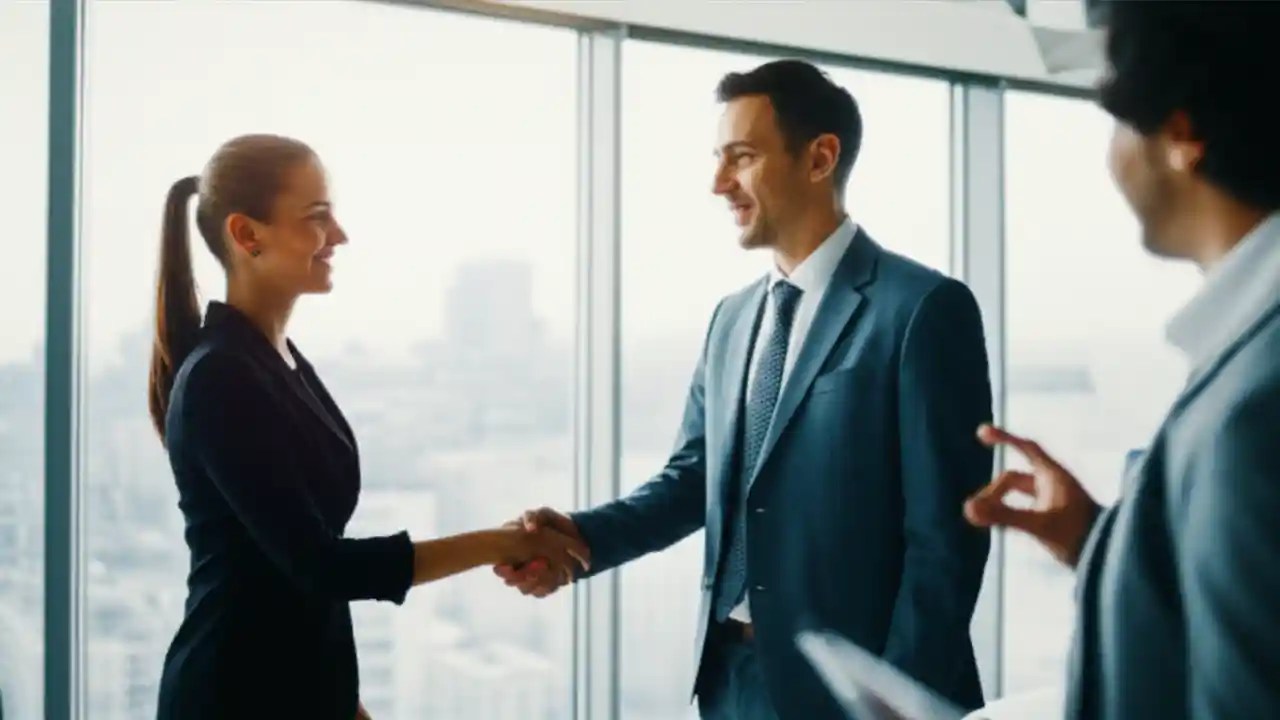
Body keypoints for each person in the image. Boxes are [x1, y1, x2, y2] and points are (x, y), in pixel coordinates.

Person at [498, 60, 994, 719]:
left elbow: (945, 545)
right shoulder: (732, 319)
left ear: (819, 158)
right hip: (730, 682)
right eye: (717, 159)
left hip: (856, 694)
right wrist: (577, 538)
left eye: (742, 157)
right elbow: (690, 482)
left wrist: (895, 705)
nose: (717, 183)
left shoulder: (922, 309)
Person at [148, 134, 589, 720]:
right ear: (247, 234)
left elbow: (292, 574)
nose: (339, 236)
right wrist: (503, 542)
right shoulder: (221, 377)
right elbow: (322, 565)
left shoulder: (275, 360)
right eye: (317, 217)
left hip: (298, 688)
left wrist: (344, 701)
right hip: (237, 694)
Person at [964, 3, 1280, 719]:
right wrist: (1096, 540)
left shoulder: (1257, 405)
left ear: (1181, 134)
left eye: (1116, 119)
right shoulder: (1245, 346)